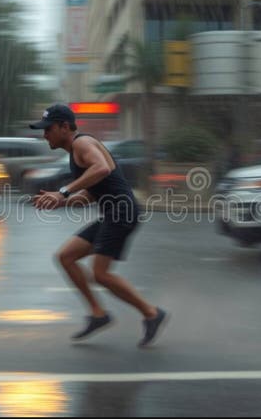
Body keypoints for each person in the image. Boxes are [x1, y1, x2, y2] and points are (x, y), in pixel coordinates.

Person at [29, 104, 168, 347]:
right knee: (66, 256)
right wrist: (62, 203)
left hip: (121, 212)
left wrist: (62, 192)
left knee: (100, 274)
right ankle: (98, 314)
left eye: (48, 129)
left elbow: (101, 168)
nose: (45, 135)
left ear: (64, 127)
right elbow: (94, 192)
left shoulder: (82, 144)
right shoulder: (75, 151)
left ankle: (152, 313)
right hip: (113, 212)